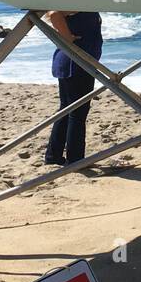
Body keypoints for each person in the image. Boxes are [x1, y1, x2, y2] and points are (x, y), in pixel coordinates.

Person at [43, 10, 103, 166]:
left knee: (66, 109)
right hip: (75, 63)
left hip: (72, 61)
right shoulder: (79, 3)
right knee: (78, 112)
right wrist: (67, 37)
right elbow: (55, 14)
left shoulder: (82, 3)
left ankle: (53, 156)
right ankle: (75, 159)